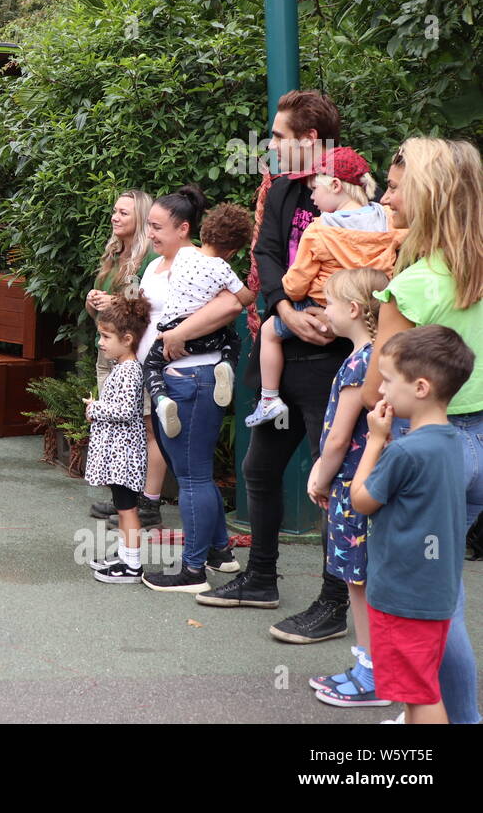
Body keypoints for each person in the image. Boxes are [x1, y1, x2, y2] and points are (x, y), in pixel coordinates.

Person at [196, 90, 355, 646]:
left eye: (280, 136)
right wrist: (285, 310)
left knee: (332, 480)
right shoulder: (283, 186)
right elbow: (265, 254)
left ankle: (334, 604)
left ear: (310, 140)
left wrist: (334, 319)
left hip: (335, 360)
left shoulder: (349, 184)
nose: (271, 145)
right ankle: (261, 578)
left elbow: (375, 255)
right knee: (260, 470)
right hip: (283, 349)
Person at [361, 137, 483, 724]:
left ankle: (445, 716)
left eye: (394, 185)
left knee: (437, 605)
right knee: (447, 593)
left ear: (428, 194)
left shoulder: (412, 286)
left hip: (425, 443)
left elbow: (374, 383)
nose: (385, 196)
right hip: (475, 443)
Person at [351, 325, 474, 724]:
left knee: (418, 696)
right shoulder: (452, 442)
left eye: (388, 381)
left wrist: (373, 441)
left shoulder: (404, 450)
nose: (382, 391)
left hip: (403, 595)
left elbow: (361, 499)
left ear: (420, 387)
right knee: (421, 687)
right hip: (434, 591)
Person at [137, 185, 245, 592]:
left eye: (157, 226)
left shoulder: (197, 262)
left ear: (184, 228)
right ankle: (220, 552)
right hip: (178, 375)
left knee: (193, 477)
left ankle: (193, 570)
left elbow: (235, 304)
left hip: (191, 376)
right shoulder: (168, 264)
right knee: (193, 472)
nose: (151, 234)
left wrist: (177, 334)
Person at [247, 148, 401, 429]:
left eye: (315, 189)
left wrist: (290, 296)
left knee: (269, 331)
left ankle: (269, 399)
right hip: (373, 308)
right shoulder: (386, 218)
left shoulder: (320, 230)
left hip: (322, 307)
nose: (313, 198)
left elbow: (295, 284)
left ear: (336, 185)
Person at [303, 268, 390, 708]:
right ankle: (369, 666)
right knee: (362, 577)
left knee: (358, 579)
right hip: (359, 480)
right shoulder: (371, 357)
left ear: (354, 310)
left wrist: (319, 472)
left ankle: (372, 672)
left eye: (330, 303)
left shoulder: (360, 362)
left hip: (350, 483)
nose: (325, 311)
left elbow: (339, 436)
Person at [84, 191, 166, 528]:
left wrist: (113, 299)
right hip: (110, 354)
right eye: (114, 212)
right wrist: (93, 300)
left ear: (140, 218)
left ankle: (150, 502)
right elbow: (103, 312)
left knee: (147, 426)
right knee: (121, 428)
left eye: (123, 213)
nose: (115, 218)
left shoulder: (150, 258)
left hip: (137, 355)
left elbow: (145, 305)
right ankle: (126, 499)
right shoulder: (114, 254)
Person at [142, 202, 255, 439]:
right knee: (232, 339)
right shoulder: (222, 268)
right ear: (233, 250)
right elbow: (244, 299)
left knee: (151, 367)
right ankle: (226, 365)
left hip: (168, 333)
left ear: (202, 232)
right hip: (204, 338)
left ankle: (161, 400)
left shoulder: (183, 255)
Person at [82, 294, 151, 583]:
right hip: (120, 454)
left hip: (125, 456)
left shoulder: (130, 370)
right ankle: (125, 558)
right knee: (124, 509)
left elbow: (124, 410)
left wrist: (94, 408)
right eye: (101, 336)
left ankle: (132, 565)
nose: (101, 342)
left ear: (127, 338)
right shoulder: (122, 367)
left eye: (107, 337)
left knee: (127, 510)